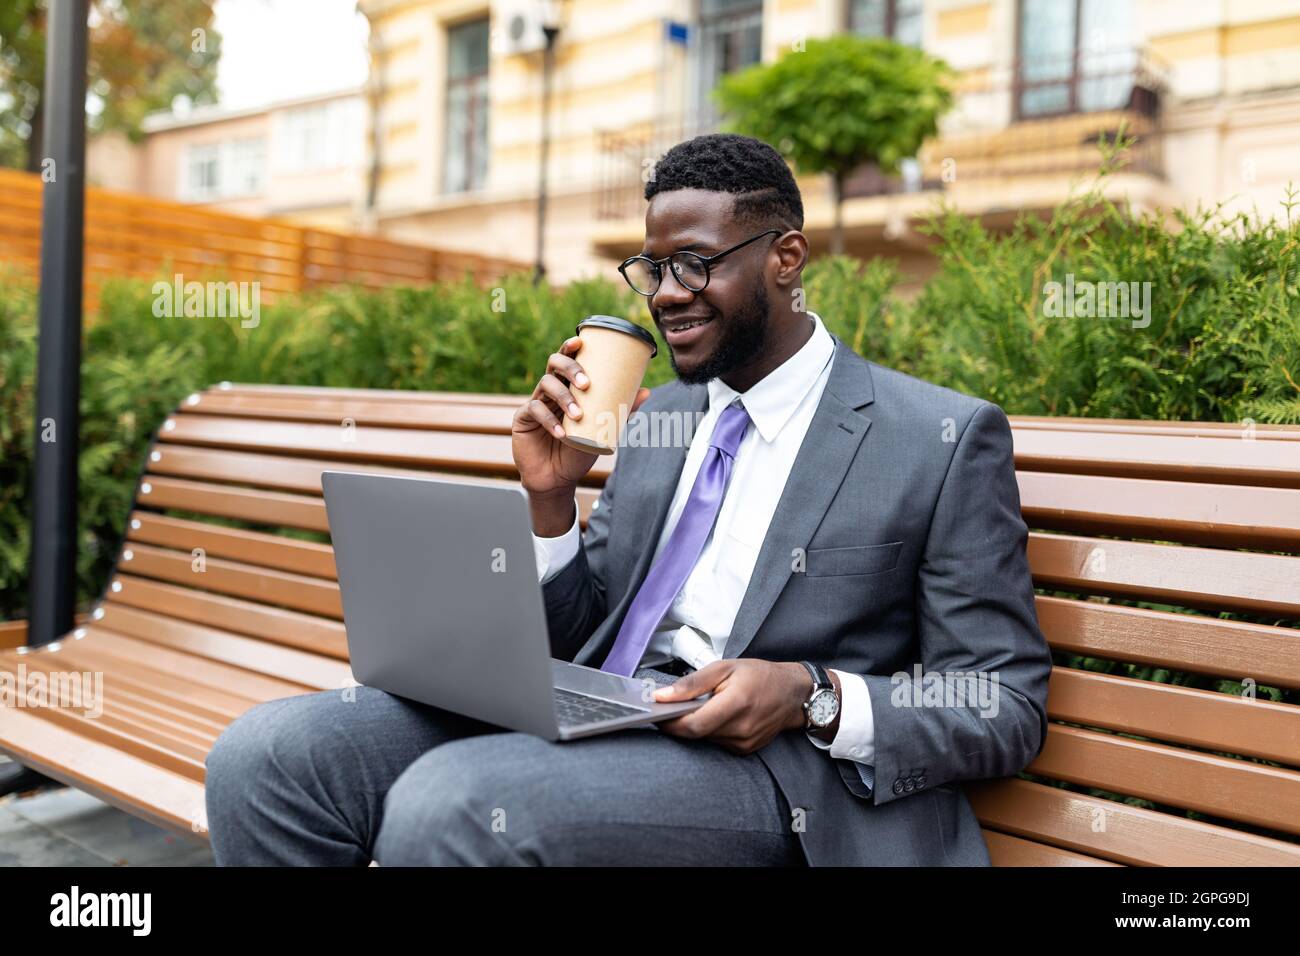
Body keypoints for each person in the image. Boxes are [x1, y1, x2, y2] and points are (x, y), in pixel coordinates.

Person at [204, 133, 1051, 866]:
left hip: (774, 778)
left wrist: (811, 692)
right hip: (601, 714)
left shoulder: (935, 437)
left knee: (455, 804)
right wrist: (549, 501)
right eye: (652, 268)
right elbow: (587, 634)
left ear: (786, 258)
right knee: (270, 756)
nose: (666, 294)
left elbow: (1002, 703)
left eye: (696, 264)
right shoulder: (662, 421)